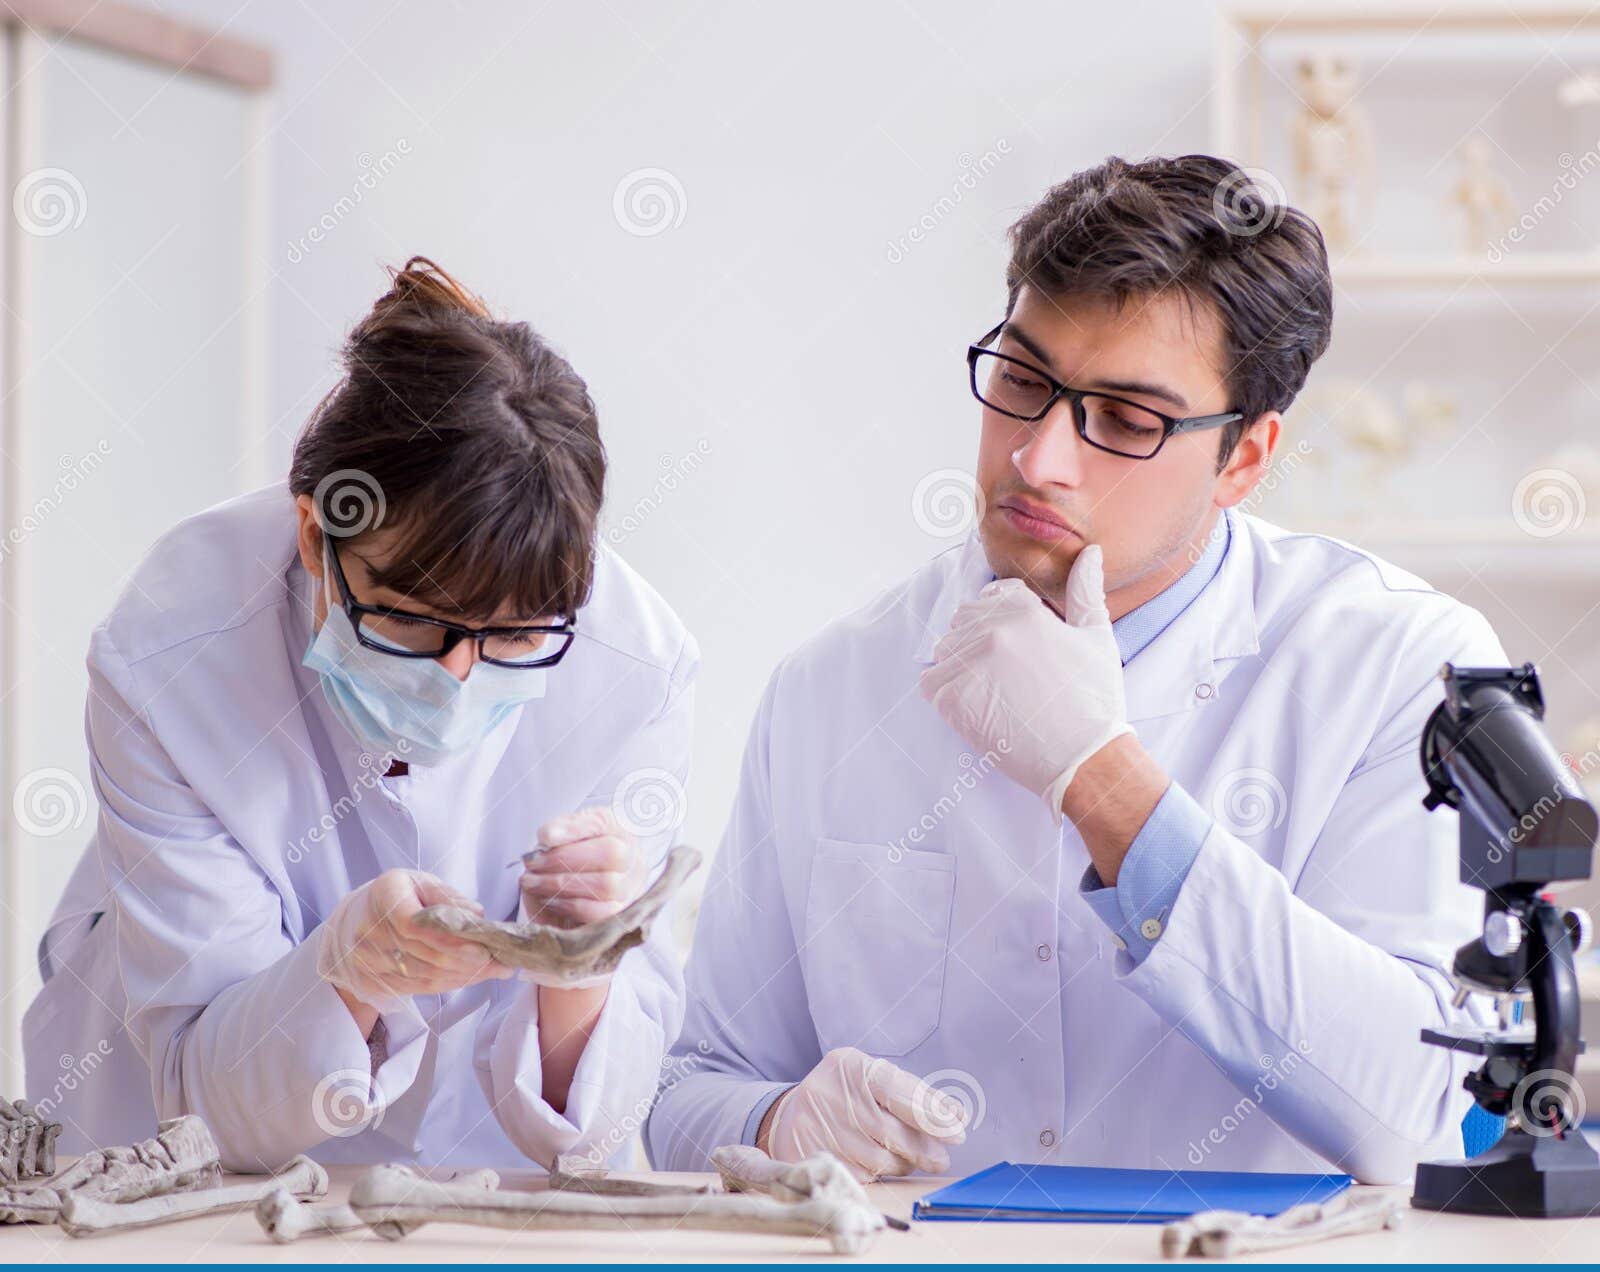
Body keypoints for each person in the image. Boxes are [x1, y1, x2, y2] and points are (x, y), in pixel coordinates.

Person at [645, 155, 1504, 1186]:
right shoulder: (831, 688)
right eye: (1021, 380)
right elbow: (689, 1090)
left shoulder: (1401, 667)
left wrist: (1102, 777)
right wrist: (778, 1121)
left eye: (1126, 420)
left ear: (1245, 457)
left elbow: (1409, 1113)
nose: (1037, 458)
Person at [25, 259, 698, 1173]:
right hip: (181, 1175)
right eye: (412, 620)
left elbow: (598, 1127)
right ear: (316, 535)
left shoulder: (634, 666)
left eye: (510, 637)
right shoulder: (171, 651)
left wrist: (577, 965)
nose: (459, 679)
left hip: (485, 1173)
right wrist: (345, 975)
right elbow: (203, 1097)